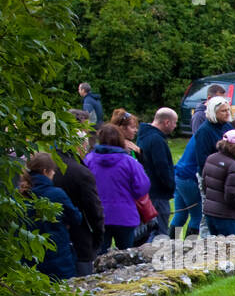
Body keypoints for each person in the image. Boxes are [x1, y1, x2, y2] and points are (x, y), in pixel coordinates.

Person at [171, 95, 235, 236]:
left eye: (228, 110)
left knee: (181, 215)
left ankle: (173, 246)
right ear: (214, 113)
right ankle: (190, 247)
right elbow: (203, 161)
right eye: (223, 111)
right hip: (190, 177)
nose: (227, 113)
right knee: (199, 216)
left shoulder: (226, 126)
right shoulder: (205, 131)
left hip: (182, 174)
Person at [84, 123, 151, 252]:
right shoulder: (129, 161)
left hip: (98, 214)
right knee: (126, 255)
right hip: (125, 214)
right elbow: (142, 187)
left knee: (99, 256)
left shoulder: (89, 160)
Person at [52, 132, 106, 277]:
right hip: (79, 238)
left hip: (48, 236)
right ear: (78, 145)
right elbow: (93, 209)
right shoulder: (80, 172)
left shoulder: (46, 165)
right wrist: (98, 235)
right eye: (85, 145)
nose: (86, 150)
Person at [25, 153, 83, 280]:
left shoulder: (22, 194)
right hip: (57, 253)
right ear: (45, 171)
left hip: (31, 255)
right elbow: (76, 218)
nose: (54, 175)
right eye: (53, 172)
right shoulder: (56, 194)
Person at [136, 108, 178, 236]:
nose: (175, 126)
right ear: (166, 122)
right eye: (174, 122)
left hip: (148, 191)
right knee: (159, 232)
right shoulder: (157, 140)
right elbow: (162, 167)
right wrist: (170, 185)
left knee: (149, 231)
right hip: (158, 194)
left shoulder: (144, 136)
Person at [201, 136, 235, 237]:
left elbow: (204, 184)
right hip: (227, 216)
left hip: (210, 213)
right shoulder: (233, 166)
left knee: (216, 249)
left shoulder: (210, 158)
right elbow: (231, 194)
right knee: (229, 250)